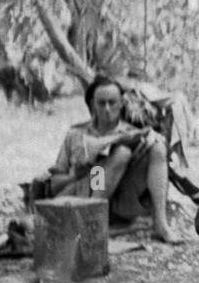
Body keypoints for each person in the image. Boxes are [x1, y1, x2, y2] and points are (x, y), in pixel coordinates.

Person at [48, 76, 180, 243]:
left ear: (121, 103)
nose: (107, 109)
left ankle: (161, 224)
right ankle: (90, 215)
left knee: (157, 147)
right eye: (101, 103)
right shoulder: (75, 135)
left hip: (122, 202)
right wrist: (75, 175)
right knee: (117, 155)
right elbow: (55, 184)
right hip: (86, 194)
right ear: (92, 104)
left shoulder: (130, 132)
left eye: (112, 102)